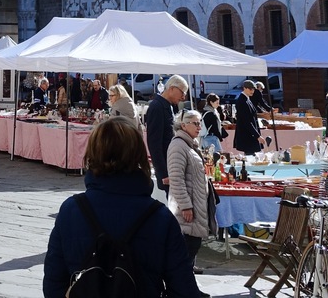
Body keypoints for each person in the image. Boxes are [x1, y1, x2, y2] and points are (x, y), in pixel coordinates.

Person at [43, 118, 201, 298]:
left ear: (92, 154)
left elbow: (53, 284)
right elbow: (184, 289)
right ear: (138, 155)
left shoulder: (71, 210)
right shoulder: (160, 217)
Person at [167, 110, 213, 281]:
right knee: (187, 250)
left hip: (195, 205)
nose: (199, 126)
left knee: (191, 248)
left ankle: (188, 286)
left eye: (200, 122)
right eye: (195, 123)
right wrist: (186, 205)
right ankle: (182, 288)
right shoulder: (179, 145)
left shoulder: (190, 144)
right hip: (187, 209)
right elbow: (176, 179)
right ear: (183, 125)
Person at [145, 75, 189, 192]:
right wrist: (163, 174)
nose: (183, 97)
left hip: (173, 166)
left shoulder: (168, 105)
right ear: (172, 88)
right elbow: (154, 144)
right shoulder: (157, 107)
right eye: (182, 92)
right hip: (167, 170)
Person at [233, 81, 265, 156]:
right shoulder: (242, 101)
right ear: (244, 88)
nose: (252, 91)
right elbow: (246, 121)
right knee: (250, 157)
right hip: (247, 135)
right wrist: (257, 136)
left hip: (249, 134)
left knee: (251, 156)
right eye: (250, 89)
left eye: (253, 89)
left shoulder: (247, 99)